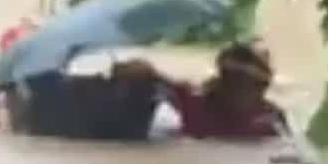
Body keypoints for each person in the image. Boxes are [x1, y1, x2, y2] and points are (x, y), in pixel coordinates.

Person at [121, 41, 286, 141]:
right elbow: (152, 75)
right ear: (224, 82)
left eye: (252, 85)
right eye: (235, 81)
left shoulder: (270, 118)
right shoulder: (196, 103)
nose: (241, 90)